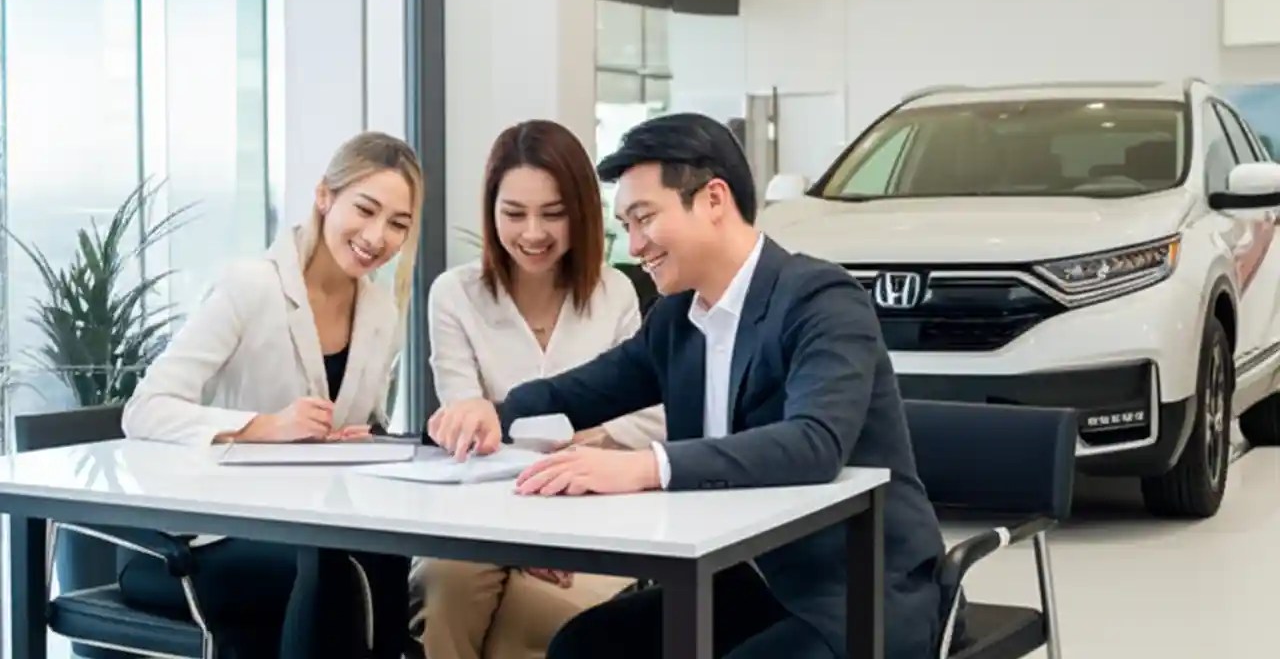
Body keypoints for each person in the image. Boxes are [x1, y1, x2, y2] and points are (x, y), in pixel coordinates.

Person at [427, 113, 950, 659]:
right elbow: (579, 392)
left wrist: (642, 465)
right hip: (747, 581)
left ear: (713, 200)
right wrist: (495, 411)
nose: (634, 245)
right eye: (625, 226)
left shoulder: (821, 299)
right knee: (583, 647)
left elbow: (814, 444)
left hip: (855, 590)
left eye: (644, 218)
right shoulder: (677, 318)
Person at [121, 131, 422, 659]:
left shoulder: (380, 314)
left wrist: (358, 439)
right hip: (203, 541)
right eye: (366, 210)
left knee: (387, 554)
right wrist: (266, 427)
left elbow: (353, 422)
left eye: (398, 223)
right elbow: (145, 409)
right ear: (325, 196)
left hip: (303, 529)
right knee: (334, 565)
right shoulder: (250, 286)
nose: (378, 236)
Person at [417, 119, 665, 659]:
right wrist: (579, 440)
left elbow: (648, 422)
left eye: (553, 214)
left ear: (581, 213)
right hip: (482, 513)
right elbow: (468, 425)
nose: (533, 233)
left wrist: (561, 467)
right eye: (514, 213)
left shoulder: (615, 292)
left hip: (590, 512)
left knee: (534, 621)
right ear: (491, 213)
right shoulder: (454, 295)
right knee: (445, 592)